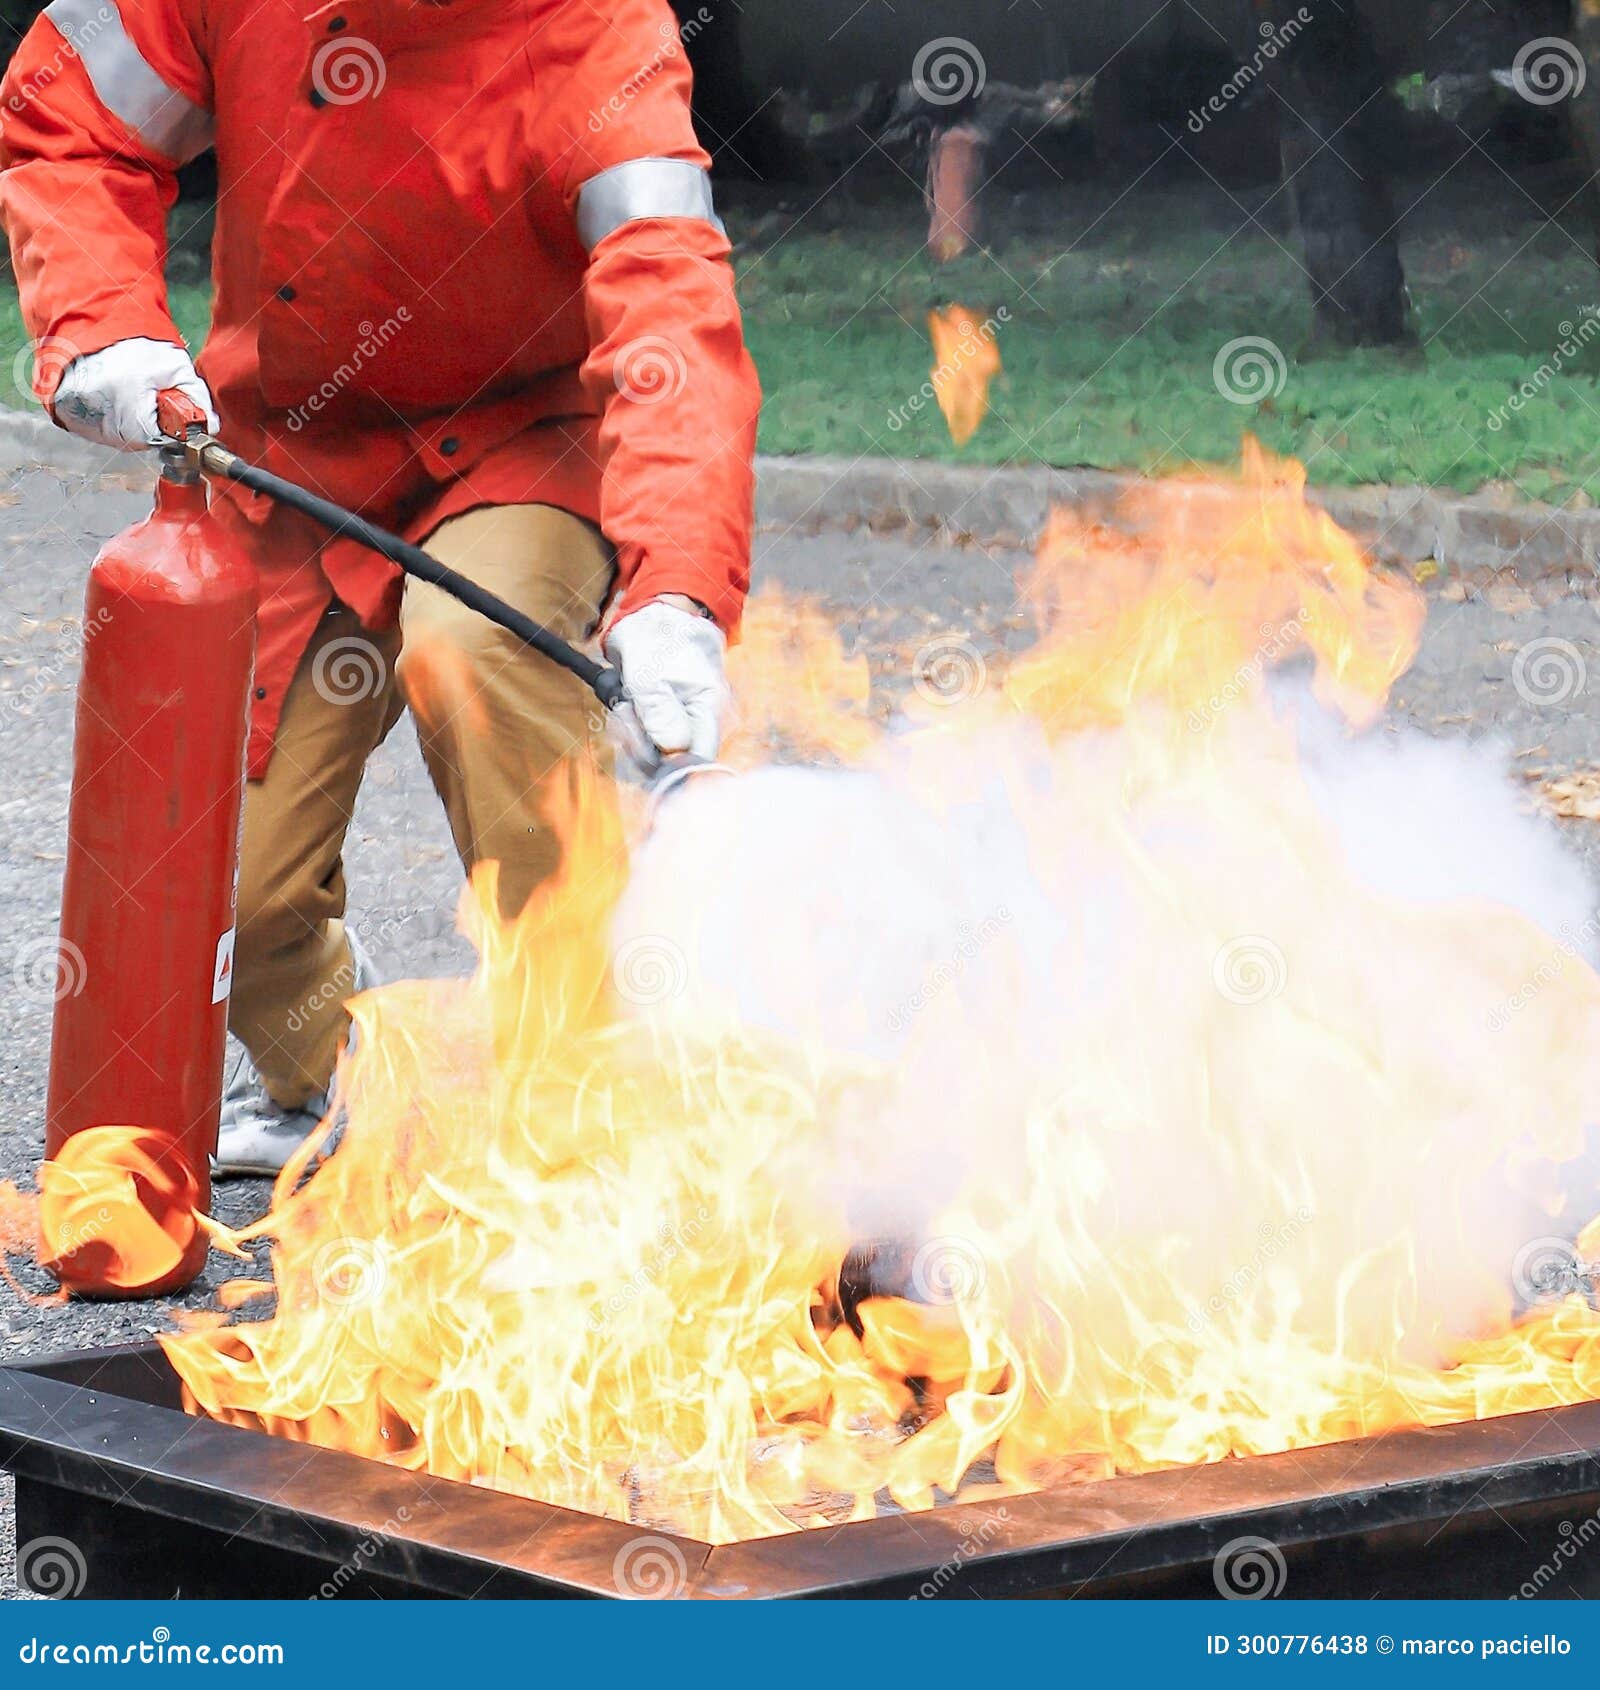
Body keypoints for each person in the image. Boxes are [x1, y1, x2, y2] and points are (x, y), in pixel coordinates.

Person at [0, 0, 760, 1175]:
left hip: (519, 439)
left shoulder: (604, 30)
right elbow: (76, 121)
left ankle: (584, 1109)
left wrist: (677, 591)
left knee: (471, 645)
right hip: (292, 455)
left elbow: (670, 299)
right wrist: (100, 326)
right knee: (231, 890)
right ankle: (316, 1081)